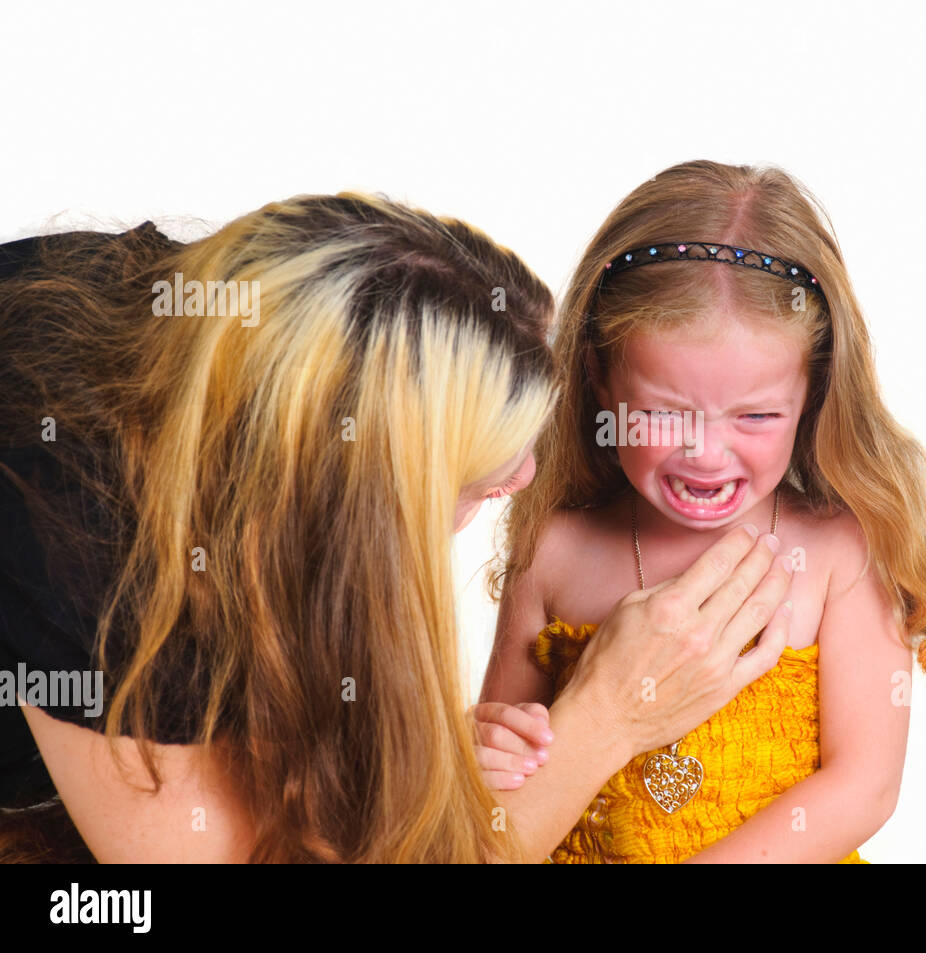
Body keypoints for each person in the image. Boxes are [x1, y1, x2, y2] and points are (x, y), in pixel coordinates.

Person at [0, 193, 795, 863]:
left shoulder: (170, 324)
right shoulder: (75, 536)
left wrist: (393, 751)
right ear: (349, 502)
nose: (523, 481)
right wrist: (609, 718)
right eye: (478, 478)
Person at [481, 160, 926, 863]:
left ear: (815, 391)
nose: (706, 453)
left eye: (757, 414)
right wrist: (489, 744)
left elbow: (863, 785)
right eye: (663, 412)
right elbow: (509, 784)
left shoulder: (837, 553)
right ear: (598, 375)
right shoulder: (554, 550)